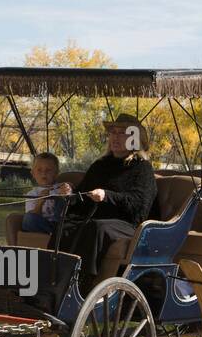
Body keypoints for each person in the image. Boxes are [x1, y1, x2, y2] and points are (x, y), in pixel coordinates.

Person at [54, 114, 156, 294]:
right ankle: (53, 279)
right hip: (98, 222)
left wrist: (106, 195)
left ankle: (84, 285)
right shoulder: (99, 166)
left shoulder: (143, 168)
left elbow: (139, 205)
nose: (115, 137)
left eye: (122, 133)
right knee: (65, 226)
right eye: (113, 132)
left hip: (128, 225)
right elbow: (82, 197)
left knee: (97, 228)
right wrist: (70, 193)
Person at [21, 151, 61, 235]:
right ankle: (54, 233)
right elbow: (34, 215)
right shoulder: (31, 194)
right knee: (28, 218)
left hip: (59, 223)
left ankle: (57, 232)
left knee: (62, 198)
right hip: (42, 224)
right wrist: (40, 202)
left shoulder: (62, 188)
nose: (44, 173)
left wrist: (68, 189)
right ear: (33, 173)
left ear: (57, 173)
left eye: (48, 170)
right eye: (39, 170)